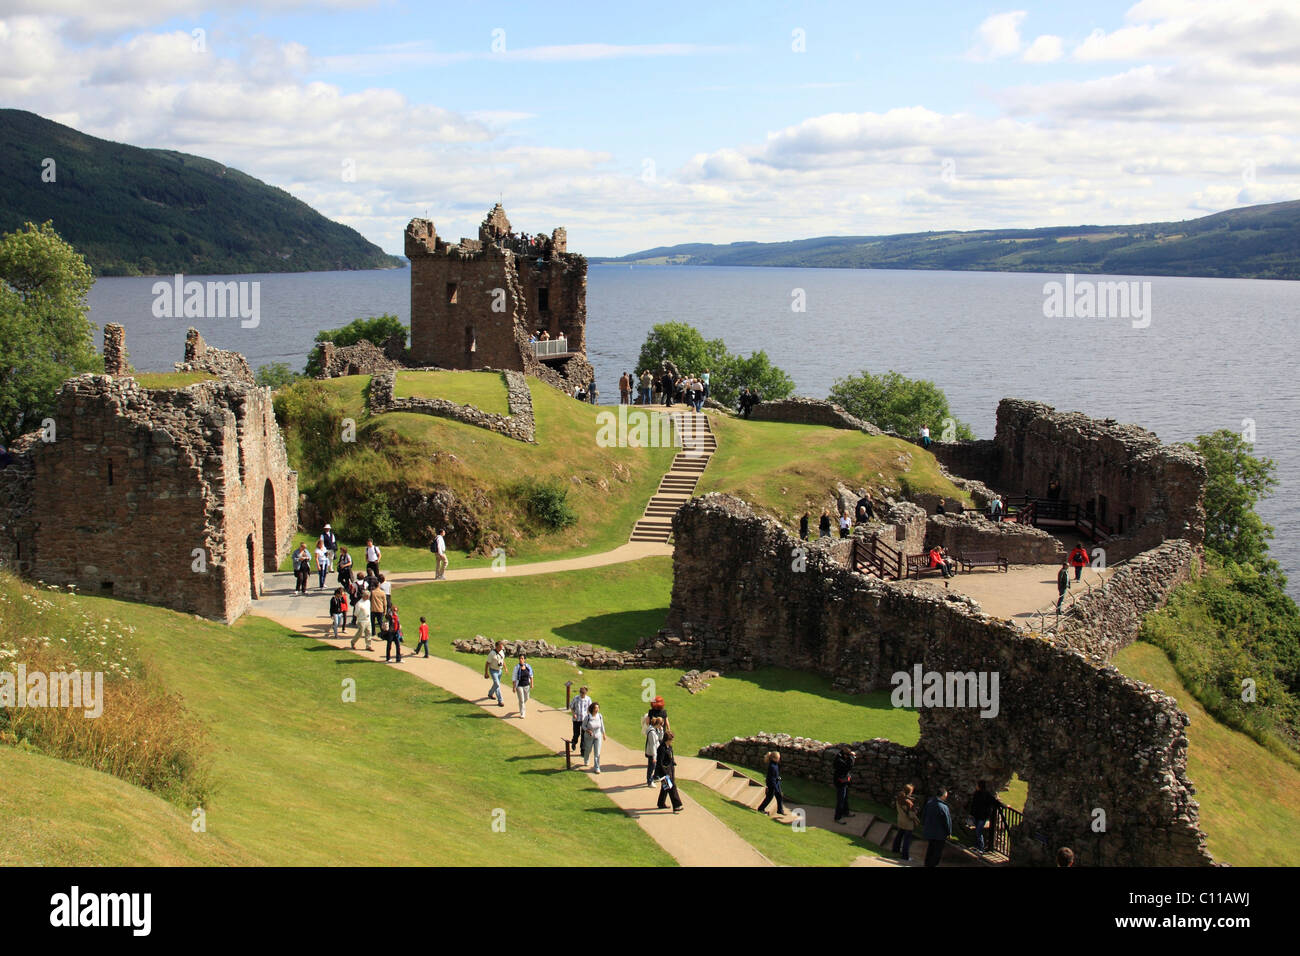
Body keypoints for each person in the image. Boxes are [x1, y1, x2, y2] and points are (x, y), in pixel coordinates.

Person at [921, 788, 953, 867]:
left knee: (930, 848)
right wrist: (949, 833)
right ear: (942, 796)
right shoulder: (944, 807)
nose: (946, 798)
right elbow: (947, 821)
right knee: (937, 851)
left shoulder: (929, 803)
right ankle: (933, 864)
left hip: (930, 831)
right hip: (940, 833)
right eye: (945, 796)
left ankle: (927, 864)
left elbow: (924, 815)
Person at [655, 732, 684, 812]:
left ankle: (661, 803)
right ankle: (677, 805)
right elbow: (659, 763)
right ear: (667, 739)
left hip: (670, 769)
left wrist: (673, 762)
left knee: (666, 787)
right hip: (664, 771)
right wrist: (664, 774)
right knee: (672, 787)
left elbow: (671, 756)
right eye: (671, 739)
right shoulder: (661, 748)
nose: (672, 741)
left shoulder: (669, 747)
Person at [892, 783, 919, 861]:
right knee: (907, 839)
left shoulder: (899, 798)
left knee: (899, 835)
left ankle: (895, 849)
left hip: (900, 819)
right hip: (908, 822)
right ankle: (905, 856)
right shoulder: (908, 802)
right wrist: (915, 811)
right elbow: (911, 815)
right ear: (909, 792)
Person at [971, 780, 999, 854]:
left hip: (982, 817)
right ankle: (977, 846)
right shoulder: (977, 793)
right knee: (978, 831)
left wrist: (1004, 806)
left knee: (978, 832)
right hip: (977, 816)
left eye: (977, 785)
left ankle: (981, 848)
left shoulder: (986, 795)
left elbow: (995, 802)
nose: (976, 786)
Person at [756, 751, 785, 816]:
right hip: (772, 784)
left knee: (779, 796)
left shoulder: (775, 764)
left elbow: (775, 775)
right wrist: (775, 788)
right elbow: (772, 779)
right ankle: (761, 808)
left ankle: (780, 810)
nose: (779, 759)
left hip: (776, 782)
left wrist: (778, 777)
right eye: (778, 758)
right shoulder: (772, 766)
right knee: (770, 797)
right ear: (774, 759)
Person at [832, 745, 855, 823]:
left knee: (845, 798)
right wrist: (852, 758)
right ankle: (837, 818)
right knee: (841, 800)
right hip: (840, 782)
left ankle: (846, 812)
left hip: (844, 780)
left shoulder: (840, 757)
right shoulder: (839, 761)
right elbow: (849, 767)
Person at [582, 702, 605, 773]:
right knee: (588, 749)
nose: (597, 709)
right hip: (589, 737)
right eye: (595, 708)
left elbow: (602, 725)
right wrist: (587, 730)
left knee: (597, 752)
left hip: (598, 736)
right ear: (592, 709)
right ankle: (586, 759)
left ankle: (597, 767)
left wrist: (604, 734)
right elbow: (583, 726)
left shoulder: (600, 716)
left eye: (598, 708)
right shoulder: (588, 717)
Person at [570, 685, 592, 754]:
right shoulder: (576, 698)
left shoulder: (588, 699)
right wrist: (574, 714)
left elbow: (589, 709)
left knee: (584, 735)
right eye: (581, 693)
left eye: (583, 693)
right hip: (576, 719)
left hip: (584, 720)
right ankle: (574, 742)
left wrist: (588, 717)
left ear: (586, 693)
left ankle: (582, 750)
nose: (582, 694)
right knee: (576, 733)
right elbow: (571, 707)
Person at [643, 716, 665, 787]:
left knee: (653, 767)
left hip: (655, 751)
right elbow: (652, 745)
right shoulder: (652, 732)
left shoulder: (656, 729)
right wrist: (654, 756)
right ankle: (650, 781)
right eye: (661, 725)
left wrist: (661, 731)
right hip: (652, 752)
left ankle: (652, 779)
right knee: (651, 767)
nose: (661, 727)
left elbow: (660, 738)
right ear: (658, 724)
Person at [484, 640, 505, 707]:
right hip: (493, 670)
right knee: (497, 684)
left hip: (499, 670)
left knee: (496, 684)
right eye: (500, 647)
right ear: (496, 647)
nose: (501, 648)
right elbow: (487, 663)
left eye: (502, 647)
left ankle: (490, 693)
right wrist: (486, 673)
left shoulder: (502, 652)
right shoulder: (492, 654)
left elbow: (502, 660)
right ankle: (500, 700)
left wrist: (505, 667)